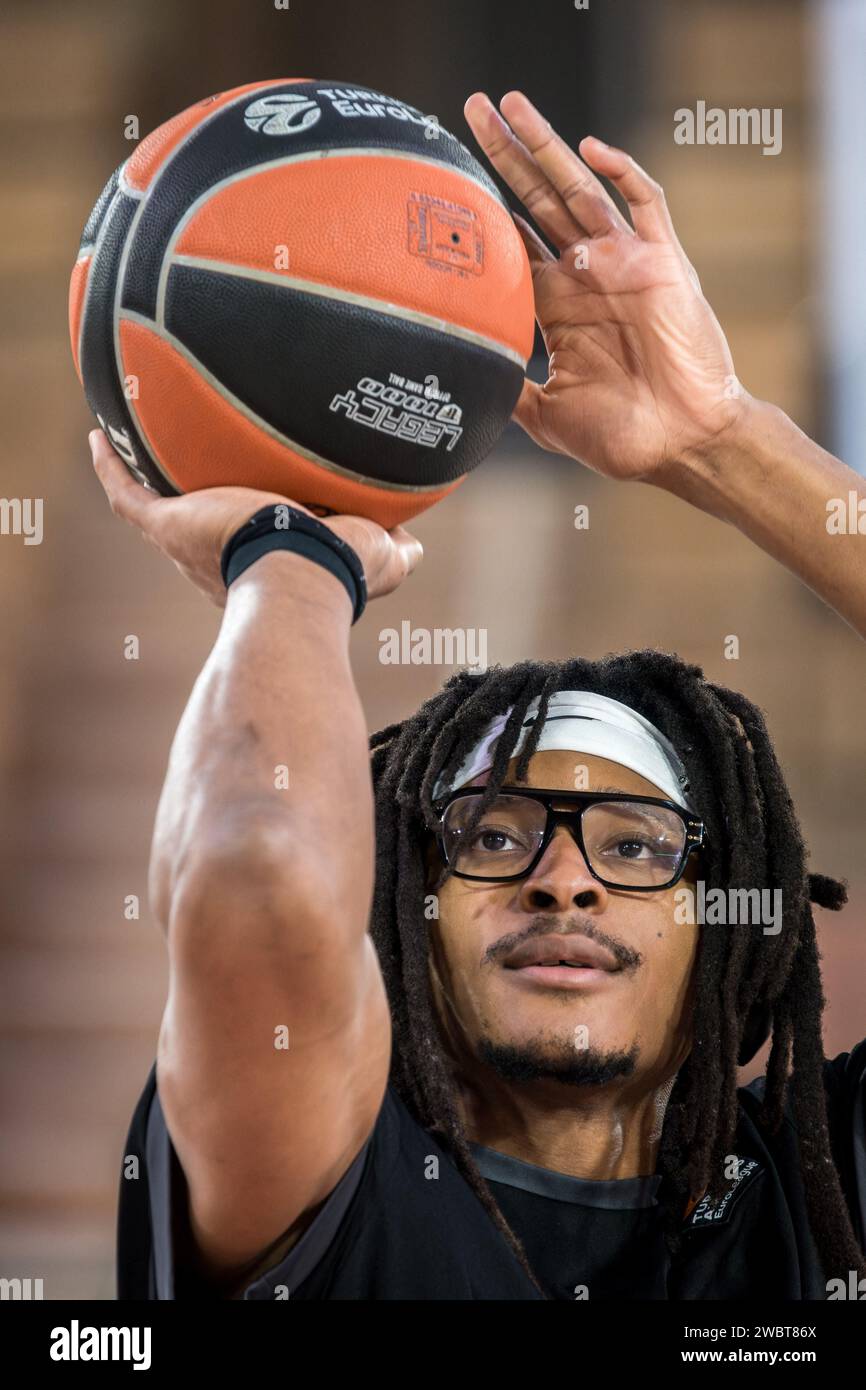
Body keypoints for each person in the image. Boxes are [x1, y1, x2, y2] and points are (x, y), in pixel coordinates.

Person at [95, 91, 866, 1300]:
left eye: (637, 846)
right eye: (492, 835)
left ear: (724, 916)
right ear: (406, 900)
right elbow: (256, 886)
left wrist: (718, 439)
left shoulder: (822, 1191)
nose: (563, 877)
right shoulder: (323, 1170)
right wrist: (294, 558)